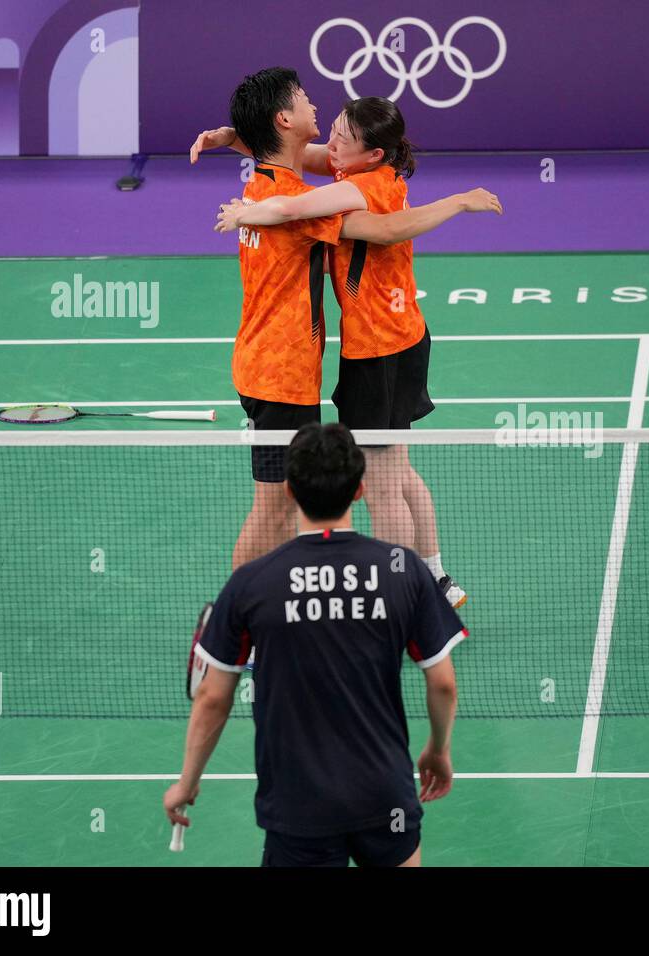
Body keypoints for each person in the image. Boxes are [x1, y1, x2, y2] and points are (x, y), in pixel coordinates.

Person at [199, 68, 500, 570]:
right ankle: (240, 619)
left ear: (371, 154)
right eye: (307, 103)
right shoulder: (313, 191)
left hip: (357, 352)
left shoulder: (283, 193)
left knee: (381, 481)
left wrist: (245, 191)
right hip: (288, 373)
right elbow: (316, 177)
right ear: (284, 120)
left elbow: (383, 228)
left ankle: (414, 583)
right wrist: (239, 141)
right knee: (291, 504)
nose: (323, 119)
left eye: (343, 134)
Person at [163, 422, 465, 867]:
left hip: (297, 803)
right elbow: (442, 684)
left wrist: (187, 782)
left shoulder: (251, 582)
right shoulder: (403, 571)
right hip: (384, 795)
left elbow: (212, 698)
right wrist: (438, 749)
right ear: (360, 490)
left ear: (287, 489)